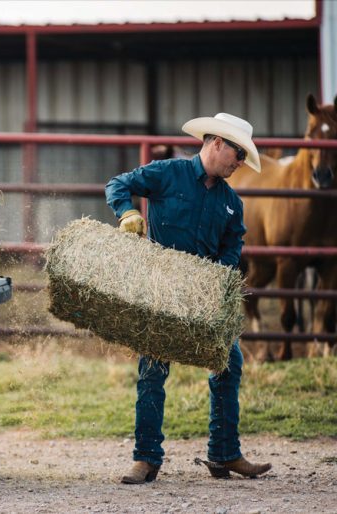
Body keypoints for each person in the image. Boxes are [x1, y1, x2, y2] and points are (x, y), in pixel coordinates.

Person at [105, 113, 273, 484]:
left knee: (229, 363)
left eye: (243, 156)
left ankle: (224, 454)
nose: (240, 162)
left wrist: (217, 282)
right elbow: (118, 184)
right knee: (152, 371)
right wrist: (128, 211)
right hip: (162, 293)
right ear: (217, 144)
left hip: (203, 299)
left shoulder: (232, 204)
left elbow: (233, 246)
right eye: (238, 154)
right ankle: (146, 458)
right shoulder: (168, 173)